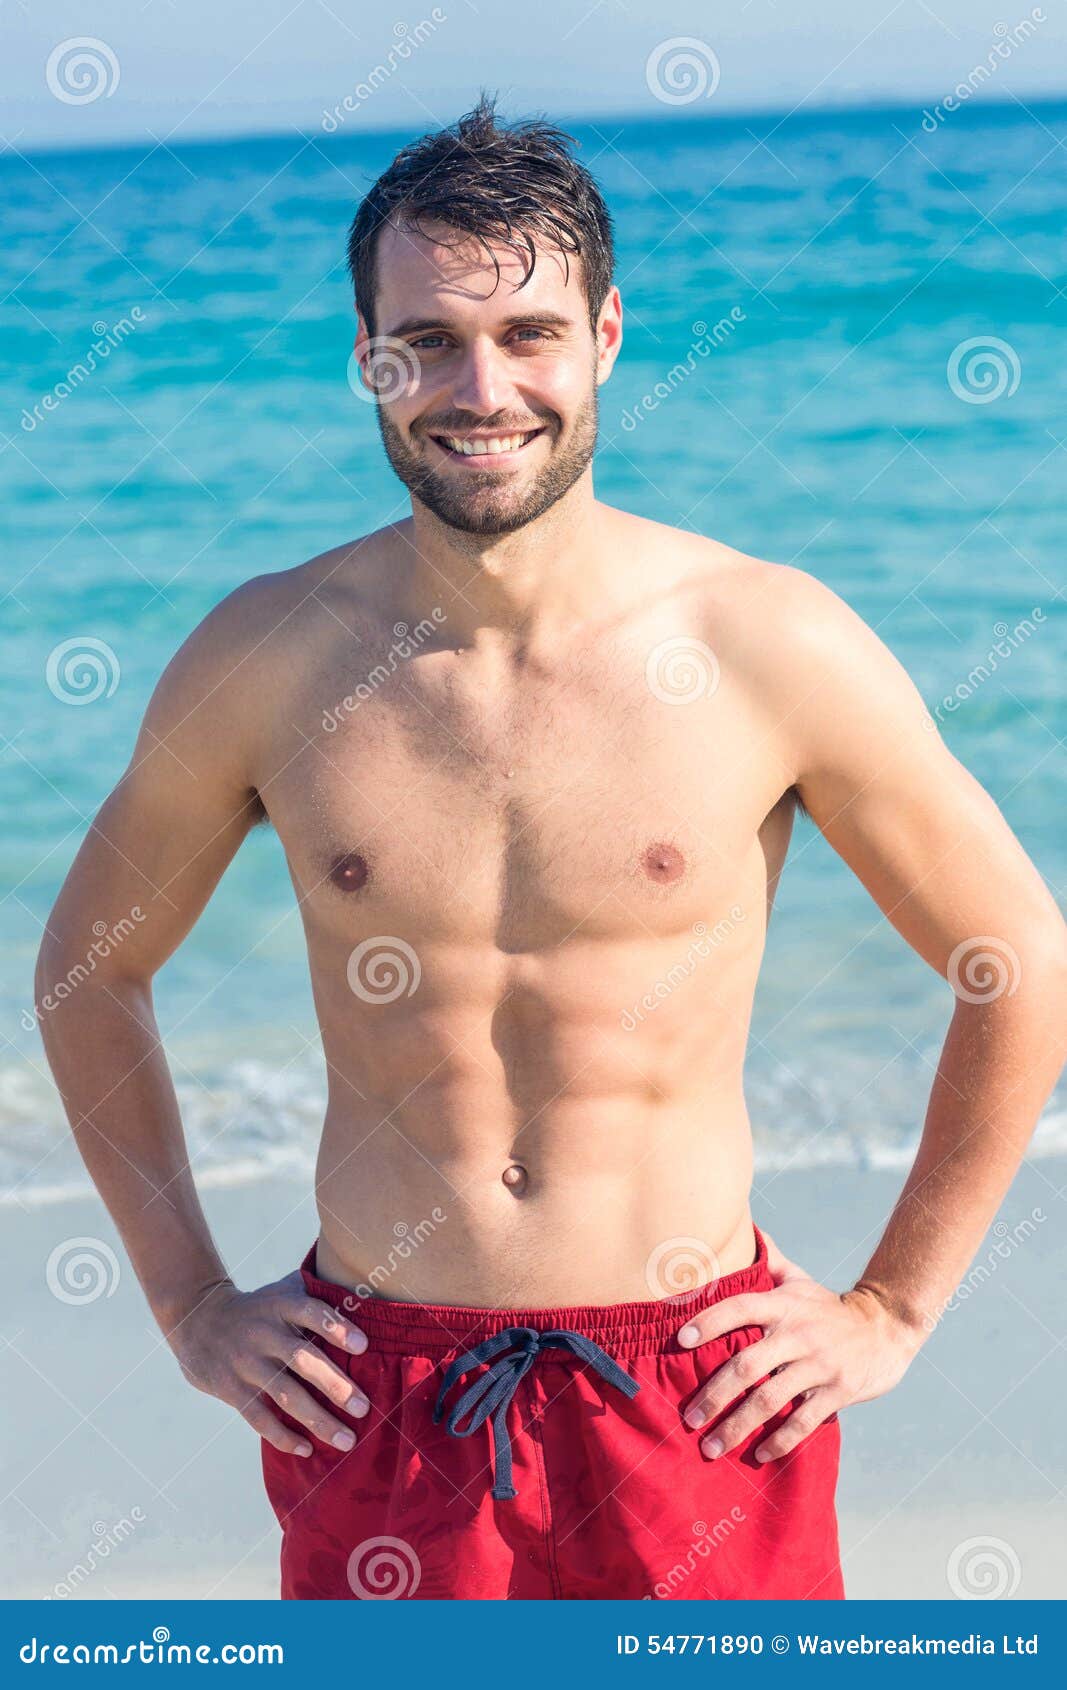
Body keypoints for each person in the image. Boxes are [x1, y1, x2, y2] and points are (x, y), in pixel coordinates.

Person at [35, 96, 1067, 1602]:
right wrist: (190, 1301)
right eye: (428, 340)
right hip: (381, 1396)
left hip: (700, 1392)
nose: (483, 388)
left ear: (608, 335)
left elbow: (1017, 957)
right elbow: (90, 966)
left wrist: (893, 1310)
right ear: (369, 357)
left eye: (530, 333)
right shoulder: (269, 656)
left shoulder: (763, 640)